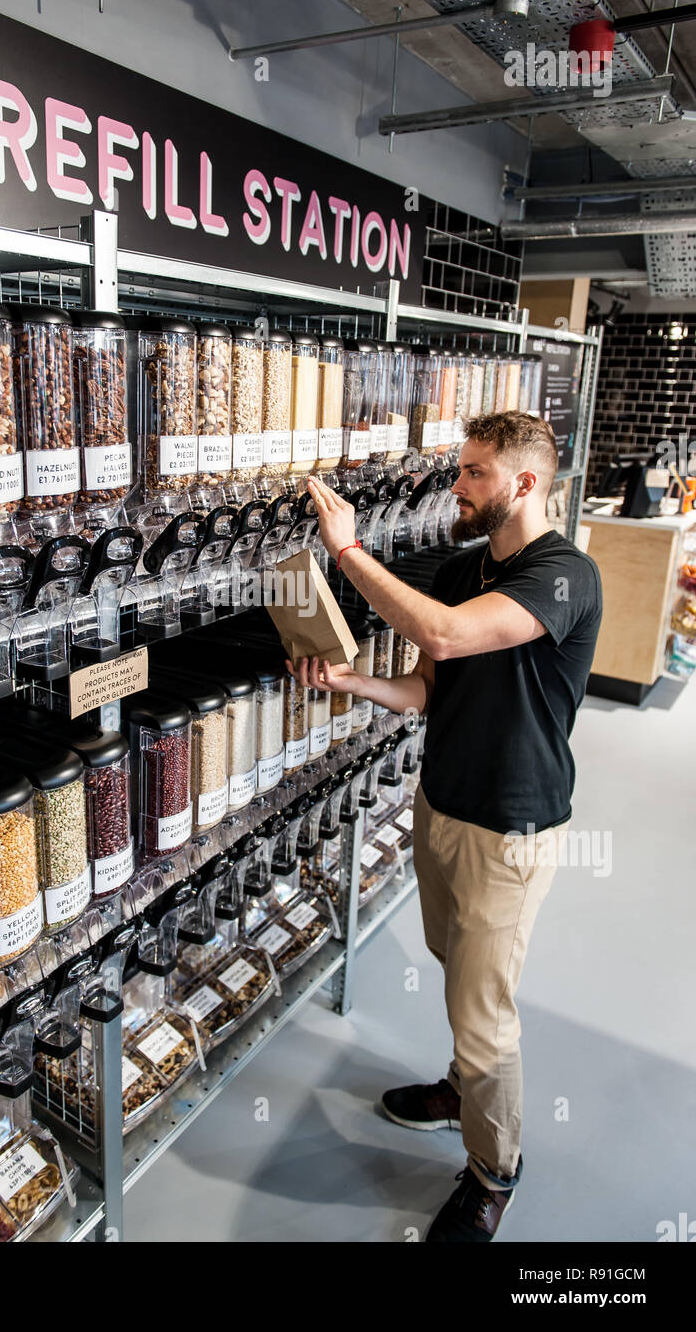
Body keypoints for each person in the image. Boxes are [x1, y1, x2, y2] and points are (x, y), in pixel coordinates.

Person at [288, 412, 603, 1243]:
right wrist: (350, 682)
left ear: (523, 484)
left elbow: (444, 633)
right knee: (456, 969)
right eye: (458, 470)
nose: (454, 487)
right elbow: (429, 684)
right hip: (442, 803)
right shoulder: (466, 568)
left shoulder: (563, 575)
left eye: (471, 474)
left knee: (485, 1009)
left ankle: (493, 1172)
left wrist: (348, 552)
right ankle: (463, 1088)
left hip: (512, 824)